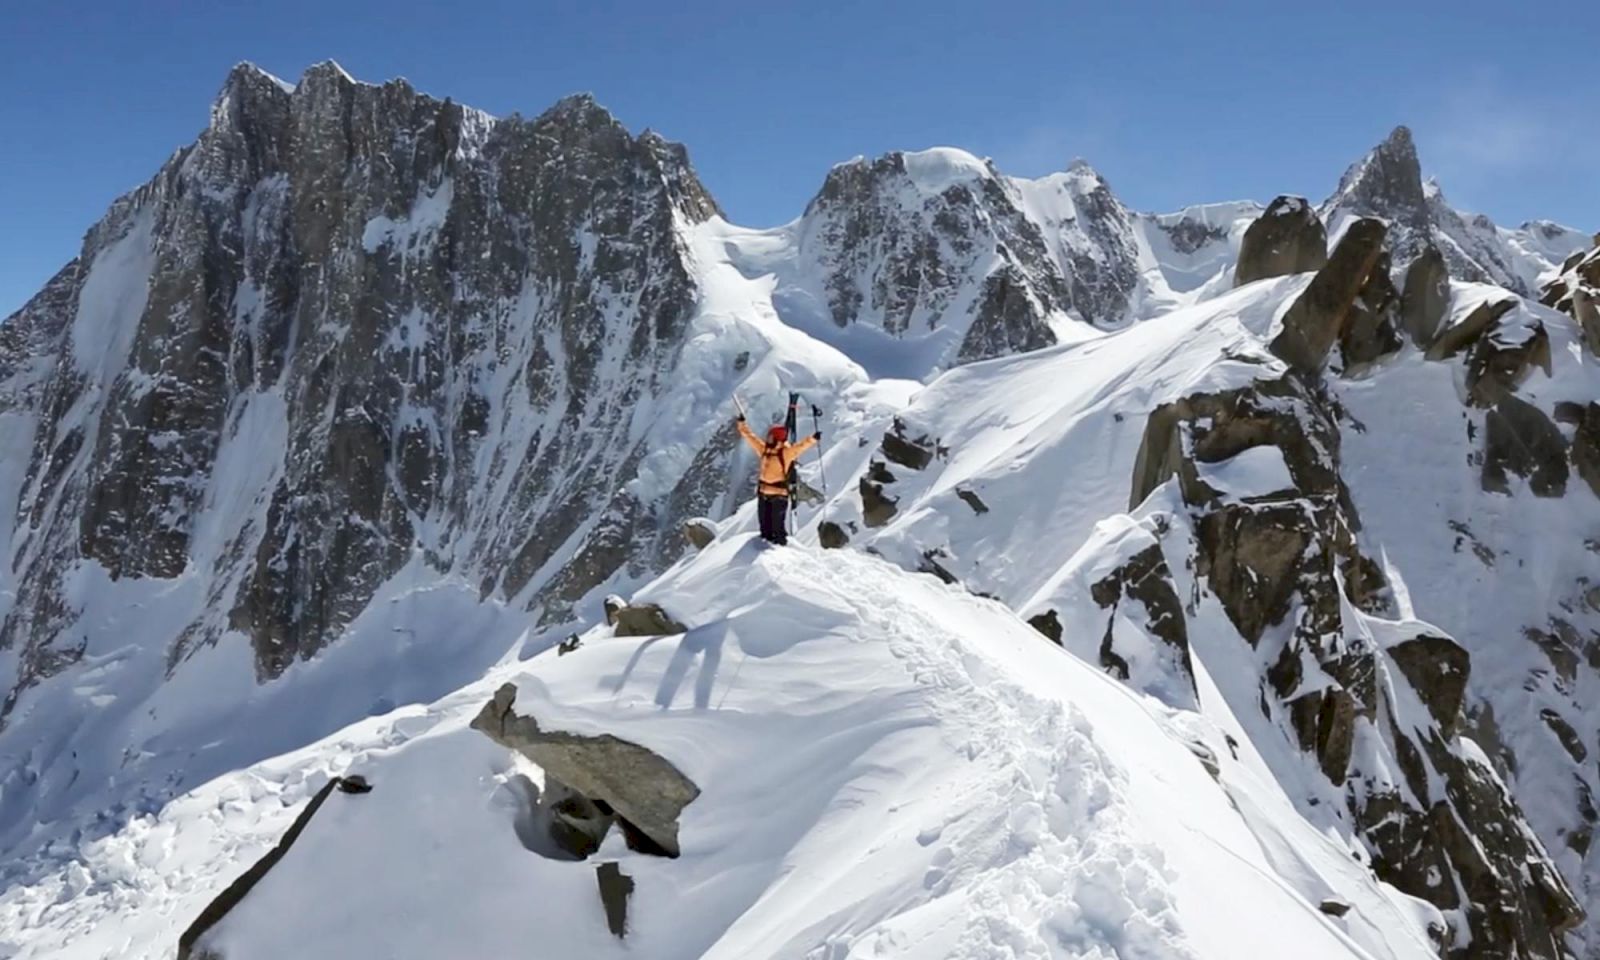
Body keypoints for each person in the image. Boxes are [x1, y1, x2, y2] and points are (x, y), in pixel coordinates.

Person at [736, 413, 820, 545]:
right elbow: (750, 437)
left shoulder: (785, 453)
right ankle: (766, 548)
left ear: (776, 438)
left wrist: (813, 439)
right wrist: (742, 424)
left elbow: (800, 447)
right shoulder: (764, 450)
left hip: (778, 496)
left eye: (770, 436)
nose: (767, 438)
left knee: (777, 527)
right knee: (765, 527)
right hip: (764, 494)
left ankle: (779, 551)